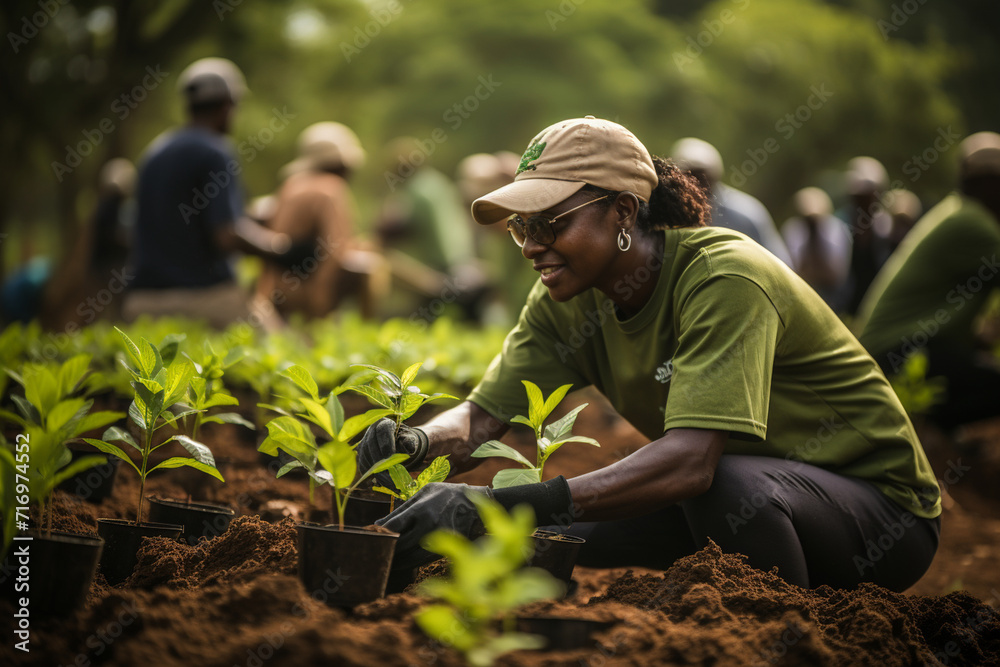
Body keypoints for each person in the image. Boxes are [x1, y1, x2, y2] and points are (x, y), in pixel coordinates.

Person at [360, 117, 941, 592]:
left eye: (550, 222)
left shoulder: (723, 276)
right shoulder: (564, 299)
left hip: (878, 515)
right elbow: (485, 417)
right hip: (735, 497)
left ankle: (780, 633)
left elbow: (690, 462)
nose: (532, 246)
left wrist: (493, 503)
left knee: (721, 487)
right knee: (553, 532)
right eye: (522, 227)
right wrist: (417, 442)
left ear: (623, 212)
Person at [122, 57, 289, 330]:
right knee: (287, 354)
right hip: (204, 299)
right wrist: (282, 251)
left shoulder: (154, 153)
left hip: (142, 301)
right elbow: (226, 235)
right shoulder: (216, 151)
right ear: (227, 106)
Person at [854, 132, 1000, 430]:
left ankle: (932, 434)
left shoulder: (956, 212)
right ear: (988, 184)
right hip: (897, 355)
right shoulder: (974, 223)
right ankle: (929, 433)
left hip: (890, 354)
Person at [254, 121, 386, 319]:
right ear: (340, 163)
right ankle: (369, 328)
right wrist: (320, 305)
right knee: (372, 267)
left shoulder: (290, 185)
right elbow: (334, 251)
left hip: (275, 290)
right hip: (308, 292)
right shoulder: (331, 189)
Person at [670, 137, 793, 267]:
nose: (696, 182)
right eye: (689, 175)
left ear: (715, 175)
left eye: (702, 175)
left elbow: (780, 263)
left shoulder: (747, 214)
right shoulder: (666, 215)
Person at [781, 186, 852, 312]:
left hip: (835, 298)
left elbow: (836, 276)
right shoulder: (792, 229)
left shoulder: (836, 228)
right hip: (802, 294)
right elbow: (794, 272)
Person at [838, 156, 893, 315]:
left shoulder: (887, 227)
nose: (864, 202)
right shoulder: (840, 225)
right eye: (860, 197)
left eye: (869, 195)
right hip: (846, 309)